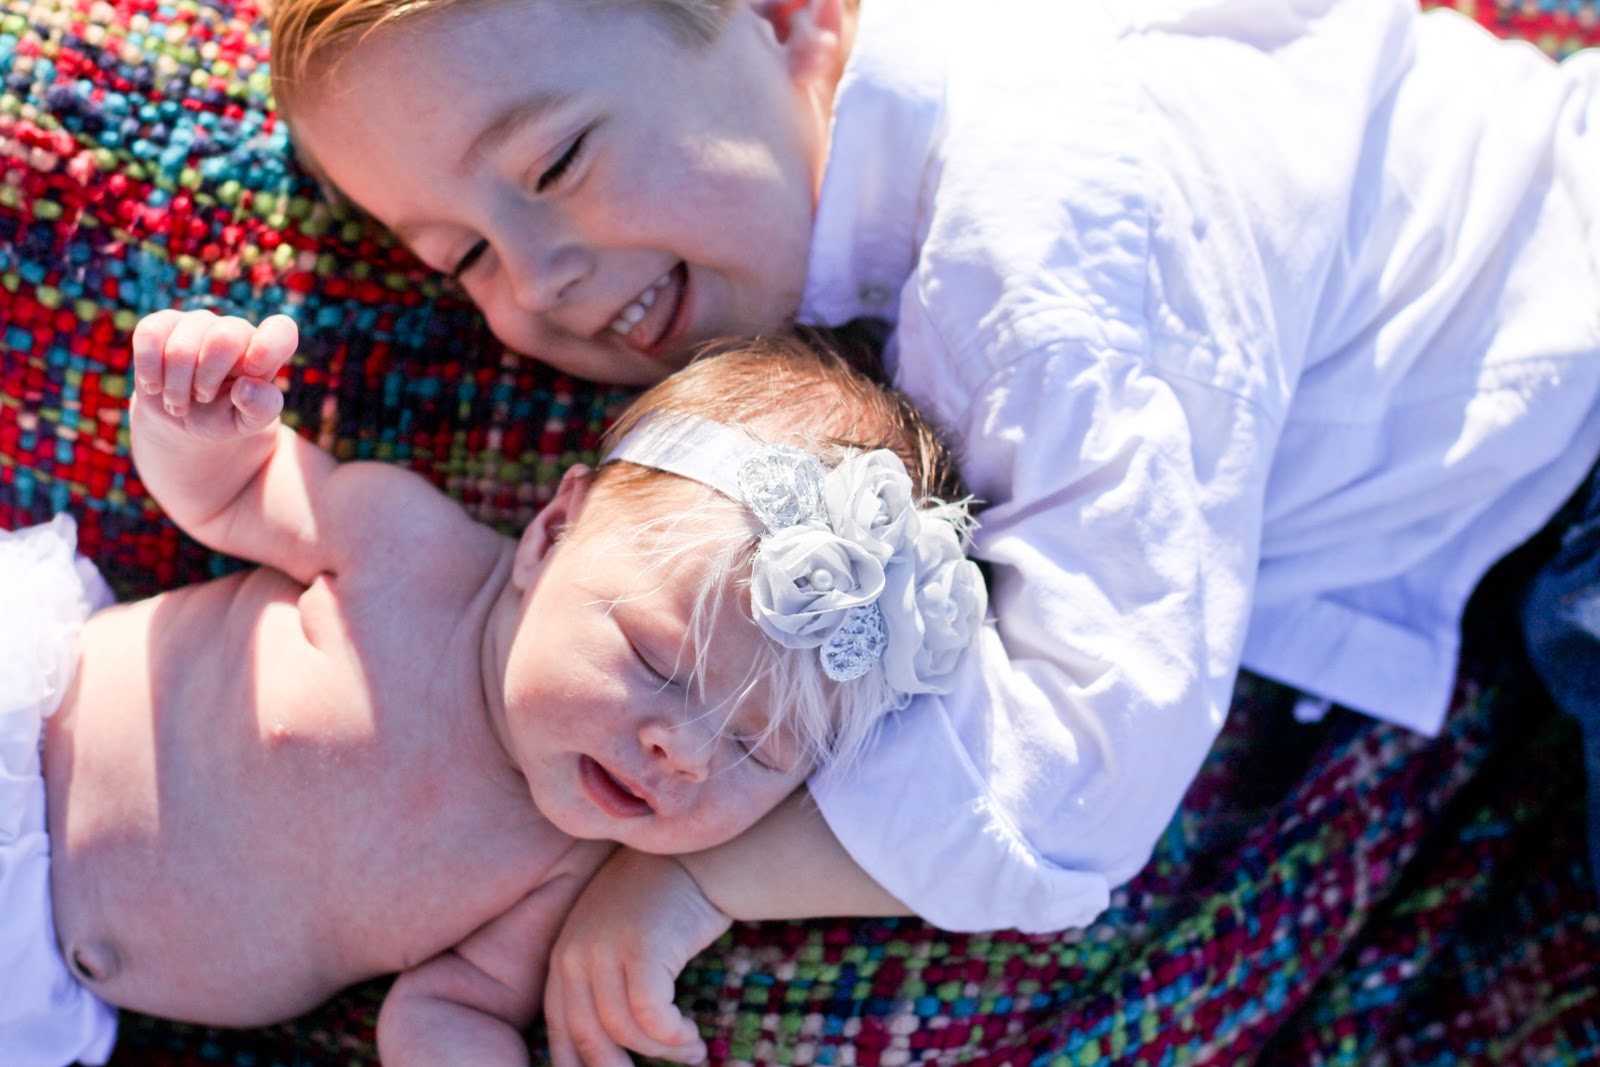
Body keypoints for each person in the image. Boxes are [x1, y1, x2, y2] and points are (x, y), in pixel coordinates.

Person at [261, 0, 1600, 1061]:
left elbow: (1069, 784)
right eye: (463, 257)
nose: (536, 278)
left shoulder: (1042, 260)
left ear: (782, 13)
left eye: (553, 161)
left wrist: (699, 877)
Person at [0, 308, 986, 1067]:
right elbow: (229, 491)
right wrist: (196, 417)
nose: (679, 747)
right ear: (555, 535)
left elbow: (448, 1007)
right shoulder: (407, 554)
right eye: (651, 657)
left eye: (754, 749)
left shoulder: (563, 869)